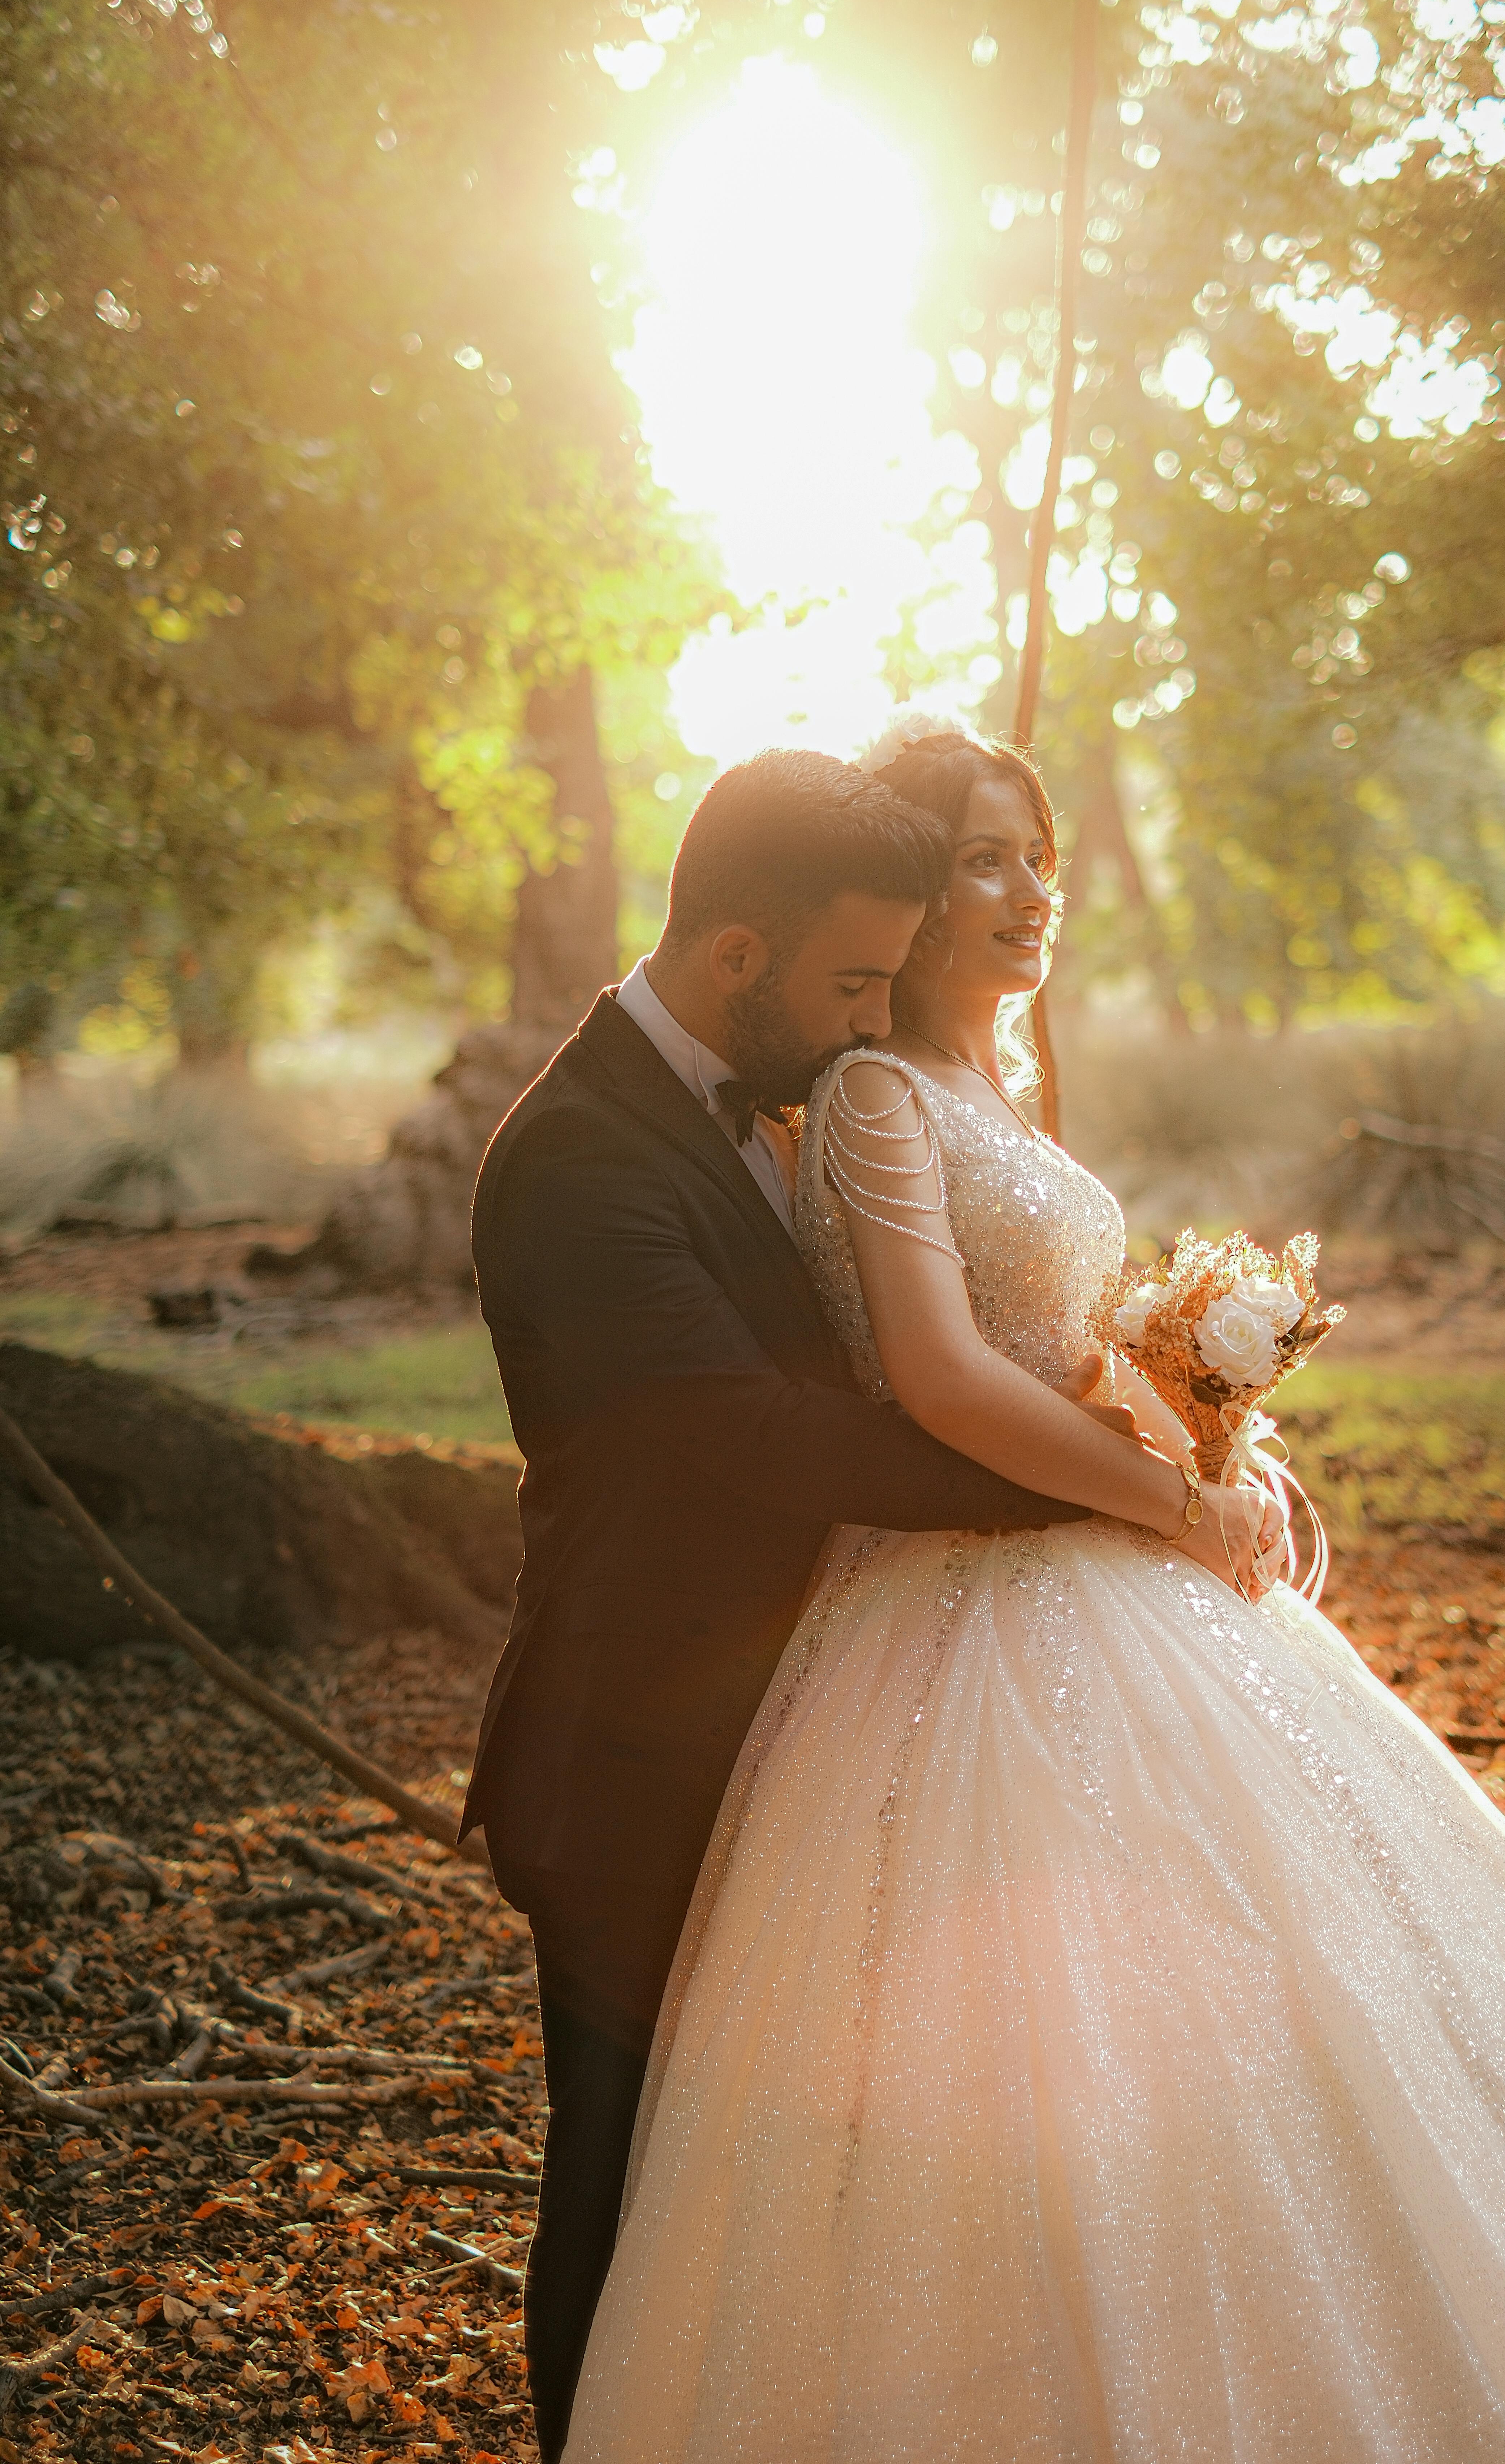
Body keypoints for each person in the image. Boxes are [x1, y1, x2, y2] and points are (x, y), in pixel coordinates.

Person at [563, 714, 1505, 2464]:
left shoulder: (992, 1092)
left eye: (1040, 858)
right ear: (906, 900)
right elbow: (940, 1379)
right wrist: (1175, 1500)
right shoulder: (874, 1096)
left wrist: (1205, 1427)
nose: (1030, 892)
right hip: (953, 1603)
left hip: (1089, 1539)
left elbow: (1057, 1349)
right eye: (982, 862)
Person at [461, 745, 1266, 2463]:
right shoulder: (579, 1159)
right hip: (635, 1747)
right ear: (737, 956)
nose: (865, 1017)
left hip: (818, 1700)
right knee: (629, 2169)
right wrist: (1103, 1493)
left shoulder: (776, 1086)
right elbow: (767, 1437)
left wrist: (1162, 1420)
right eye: (846, 983)